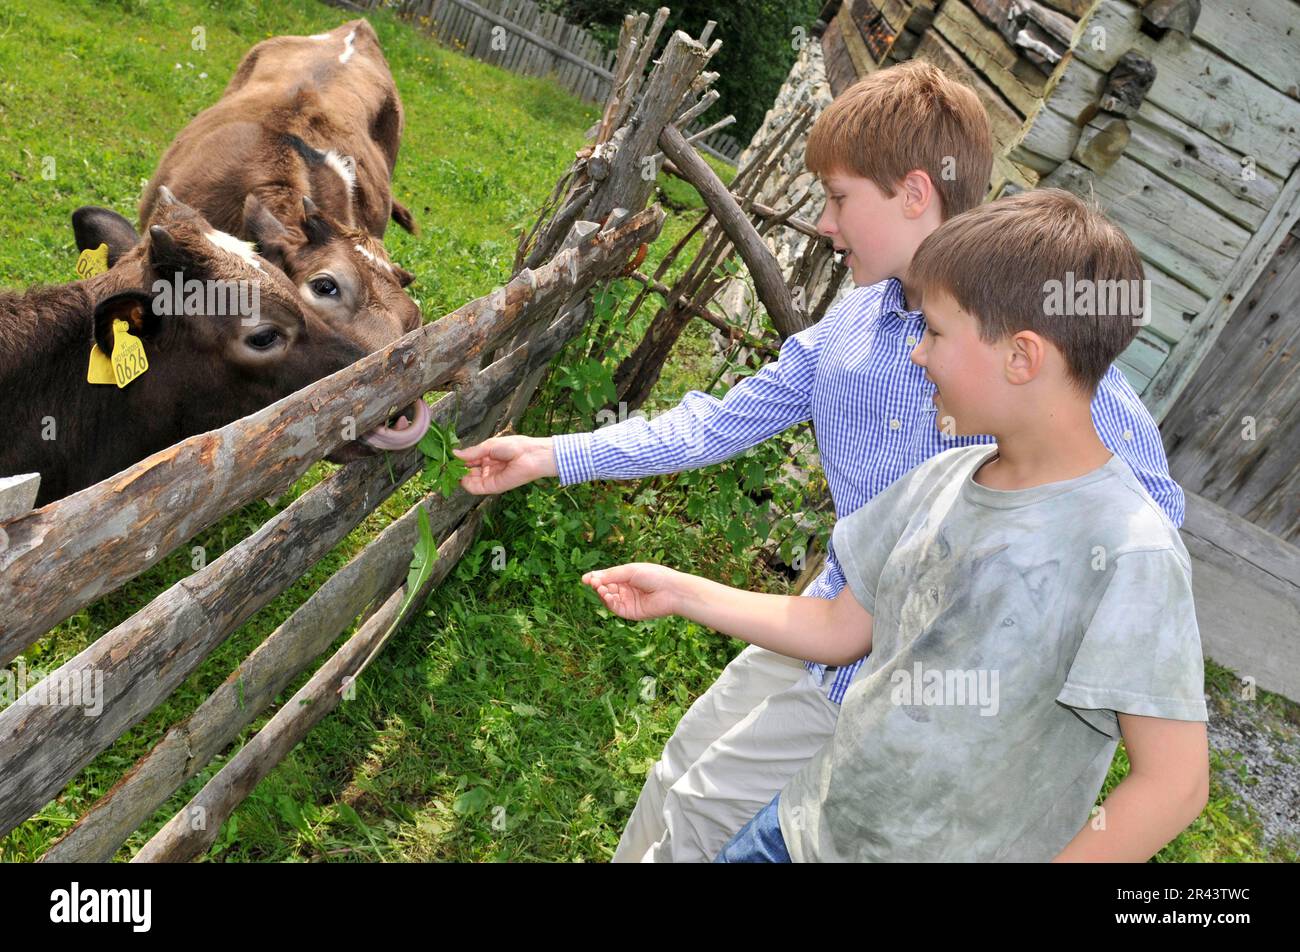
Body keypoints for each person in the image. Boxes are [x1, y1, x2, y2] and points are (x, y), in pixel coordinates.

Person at [454, 62, 1185, 863]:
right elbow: (716, 425)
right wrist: (554, 453)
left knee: (702, 815)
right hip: (832, 619)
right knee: (676, 774)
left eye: (839, 199)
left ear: (915, 194)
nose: (825, 224)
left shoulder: (1041, 362)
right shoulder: (853, 329)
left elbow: (1138, 544)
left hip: (907, 697)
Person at [587, 189, 1209, 863]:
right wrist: (679, 591)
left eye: (937, 333)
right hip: (798, 831)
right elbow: (839, 630)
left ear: (1021, 358)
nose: (918, 355)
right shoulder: (945, 478)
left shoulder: (1130, 549)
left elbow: (1173, 784)